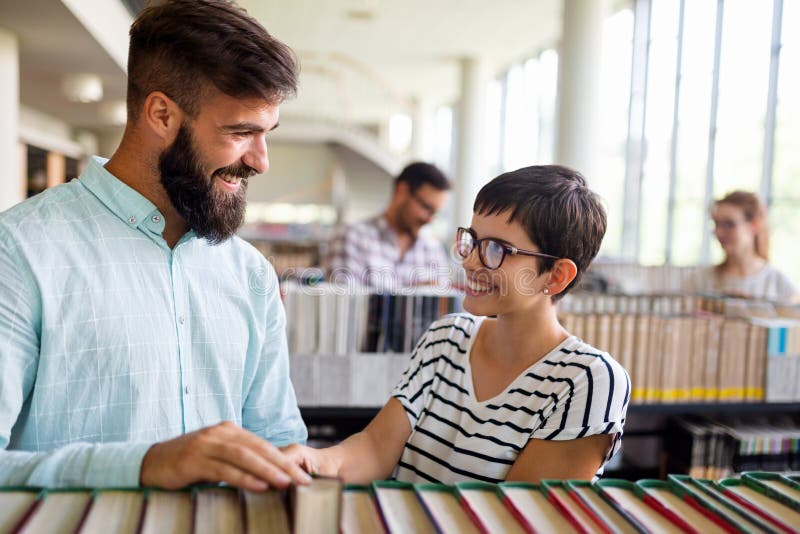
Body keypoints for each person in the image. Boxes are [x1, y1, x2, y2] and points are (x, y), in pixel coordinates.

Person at [0, 0, 312, 491]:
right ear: (162, 114)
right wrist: (142, 465)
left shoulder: (250, 274)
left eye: (267, 133)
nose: (261, 161)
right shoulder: (18, 253)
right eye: (240, 132)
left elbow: (277, 443)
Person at [286, 165, 630, 484]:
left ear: (556, 276)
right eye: (472, 240)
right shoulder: (447, 336)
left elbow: (520, 516)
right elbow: (376, 448)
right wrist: (312, 461)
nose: (468, 261)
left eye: (497, 249)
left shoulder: (586, 381)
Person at [322, 162, 452, 290]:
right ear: (402, 190)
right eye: (426, 207)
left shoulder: (434, 250)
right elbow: (345, 303)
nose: (430, 219)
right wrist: (412, 295)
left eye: (435, 213)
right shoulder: (351, 237)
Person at [686, 190, 798, 302]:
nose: (718, 232)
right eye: (716, 224)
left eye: (728, 224)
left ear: (754, 225)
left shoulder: (780, 285)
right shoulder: (699, 280)